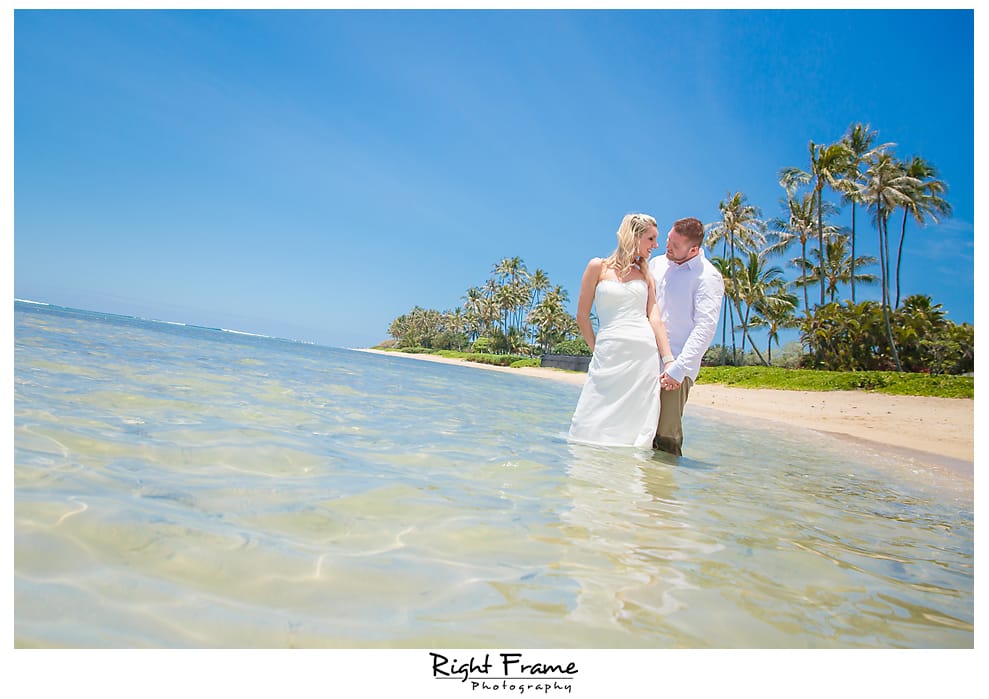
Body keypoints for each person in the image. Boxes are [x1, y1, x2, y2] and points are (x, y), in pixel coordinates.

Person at [568, 213, 675, 448]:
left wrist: (668, 360)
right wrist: (598, 349)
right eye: (651, 239)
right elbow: (582, 317)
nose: (656, 246)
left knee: (633, 428)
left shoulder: (647, 275)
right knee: (590, 421)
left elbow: (655, 318)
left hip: (642, 357)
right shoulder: (597, 267)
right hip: (608, 354)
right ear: (633, 236)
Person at [649, 217, 725, 455]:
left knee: (665, 437)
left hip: (675, 370)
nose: (667, 247)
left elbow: (705, 328)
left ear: (694, 249)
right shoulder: (656, 264)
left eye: (675, 245)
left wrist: (678, 370)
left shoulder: (708, 278)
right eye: (668, 240)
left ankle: (664, 489)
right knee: (639, 430)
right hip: (645, 360)